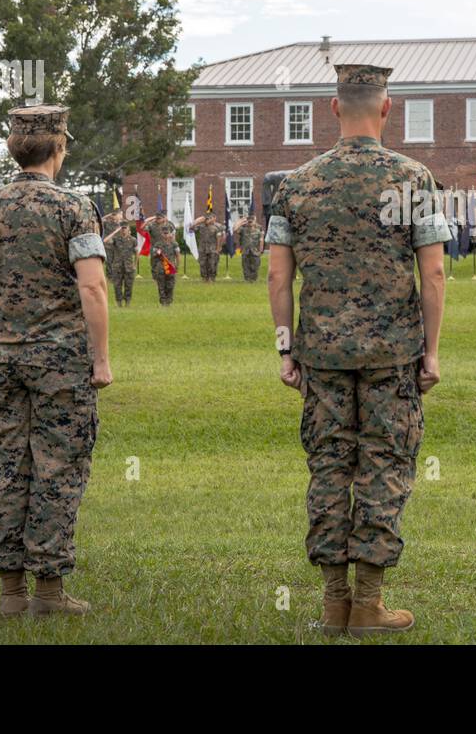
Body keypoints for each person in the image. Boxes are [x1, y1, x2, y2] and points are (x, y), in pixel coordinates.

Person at [267, 63, 449, 638]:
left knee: (328, 464)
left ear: (332, 108)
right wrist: (433, 352)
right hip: (392, 353)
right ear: (387, 107)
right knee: (384, 464)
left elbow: (278, 278)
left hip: (320, 353)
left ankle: (333, 602)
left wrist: (285, 349)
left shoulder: (296, 184)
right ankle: (369, 603)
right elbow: (435, 272)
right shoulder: (412, 179)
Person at [0, 104, 112, 617]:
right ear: (60, 147)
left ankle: (9, 595)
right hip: (60, 360)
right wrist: (101, 359)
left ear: (11, 146)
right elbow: (91, 286)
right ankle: (49, 593)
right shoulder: (74, 208)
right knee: (57, 468)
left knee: (6, 468)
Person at [143, 210, 180, 305]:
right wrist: (150, 219)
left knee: (170, 282)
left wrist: (177, 265)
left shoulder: (170, 225)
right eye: (157, 218)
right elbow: (143, 228)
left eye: (159, 218)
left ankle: (168, 299)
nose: (158, 219)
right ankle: (161, 291)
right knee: (158, 275)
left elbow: (174, 237)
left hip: (169, 257)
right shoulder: (152, 225)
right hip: (158, 254)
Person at [102, 209, 137, 307]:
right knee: (117, 286)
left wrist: (134, 264)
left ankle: (128, 302)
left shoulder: (133, 240)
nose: (123, 229)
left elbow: (137, 252)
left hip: (129, 267)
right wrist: (116, 231)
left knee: (128, 286)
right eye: (122, 228)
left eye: (125, 228)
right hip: (117, 266)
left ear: (128, 228)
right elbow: (105, 241)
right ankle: (119, 303)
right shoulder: (116, 239)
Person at [190, 213, 224, 282]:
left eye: (209, 218)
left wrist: (218, 248)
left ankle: (212, 278)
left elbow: (219, 238)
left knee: (212, 264)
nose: (207, 220)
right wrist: (197, 221)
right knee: (202, 264)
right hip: (202, 249)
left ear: (213, 219)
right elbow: (191, 229)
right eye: (206, 219)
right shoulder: (201, 226)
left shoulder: (217, 227)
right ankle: (204, 278)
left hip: (212, 249)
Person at [236, 214, 264, 282]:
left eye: (251, 221)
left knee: (255, 266)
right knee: (246, 266)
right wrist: (241, 221)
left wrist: (261, 250)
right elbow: (235, 229)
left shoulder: (258, 231)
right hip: (245, 251)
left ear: (254, 222)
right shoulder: (243, 230)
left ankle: (253, 280)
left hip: (255, 251)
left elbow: (261, 240)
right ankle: (247, 279)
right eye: (249, 221)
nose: (250, 223)